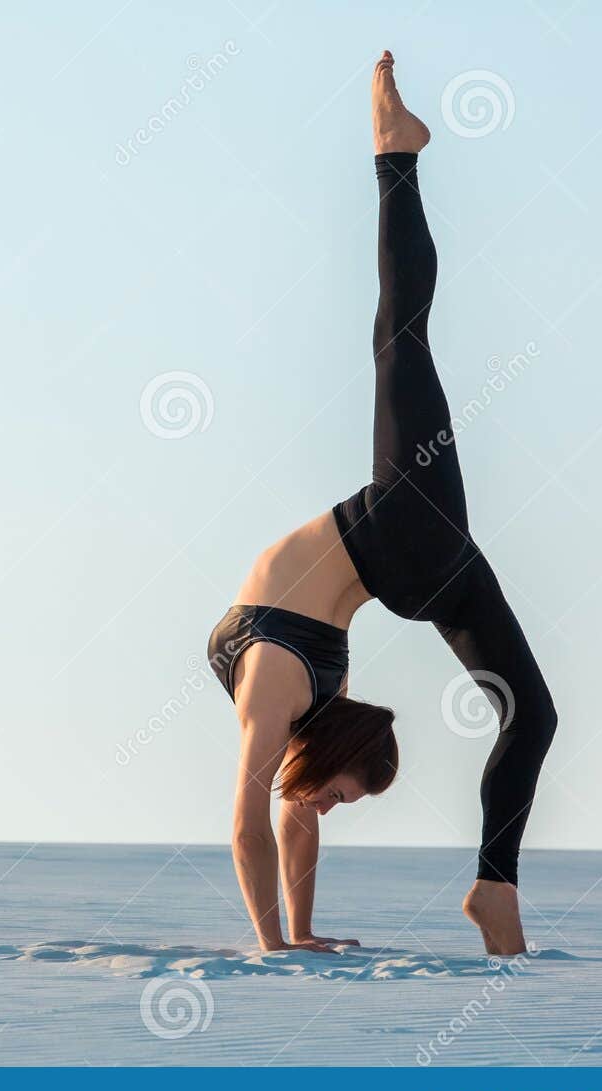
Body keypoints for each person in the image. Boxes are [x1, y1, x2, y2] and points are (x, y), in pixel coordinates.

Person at [207, 51, 558, 957]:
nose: (322, 802)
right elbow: (287, 814)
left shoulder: (273, 683)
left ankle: (495, 887)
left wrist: (282, 941)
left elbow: (254, 822)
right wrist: (294, 935)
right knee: (535, 715)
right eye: (339, 793)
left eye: (333, 795)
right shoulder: (306, 696)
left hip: (401, 539)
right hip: (407, 548)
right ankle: (498, 885)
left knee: (401, 331)